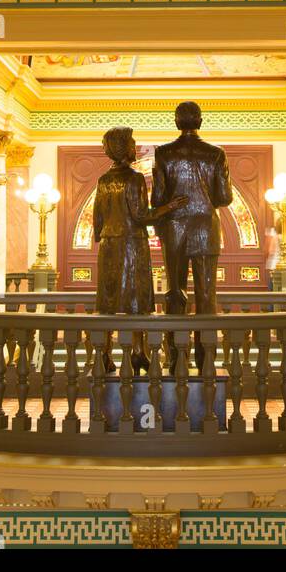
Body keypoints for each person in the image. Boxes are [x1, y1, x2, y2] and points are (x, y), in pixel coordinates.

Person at [93, 126, 184, 373]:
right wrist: (169, 207)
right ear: (123, 148)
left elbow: (98, 220)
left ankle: (103, 355)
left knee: (108, 301)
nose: (135, 147)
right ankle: (137, 352)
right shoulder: (134, 179)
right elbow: (142, 215)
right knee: (137, 298)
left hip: (109, 246)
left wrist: (104, 234)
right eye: (132, 143)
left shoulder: (103, 180)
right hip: (132, 244)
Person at [151, 101, 233, 324]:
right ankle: (205, 357)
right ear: (200, 122)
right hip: (207, 229)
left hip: (174, 229)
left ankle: (176, 355)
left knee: (175, 293)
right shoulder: (217, 154)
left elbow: (157, 200)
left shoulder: (163, 154)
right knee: (206, 295)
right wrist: (205, 200)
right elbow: (225, 198)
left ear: (176, 122)